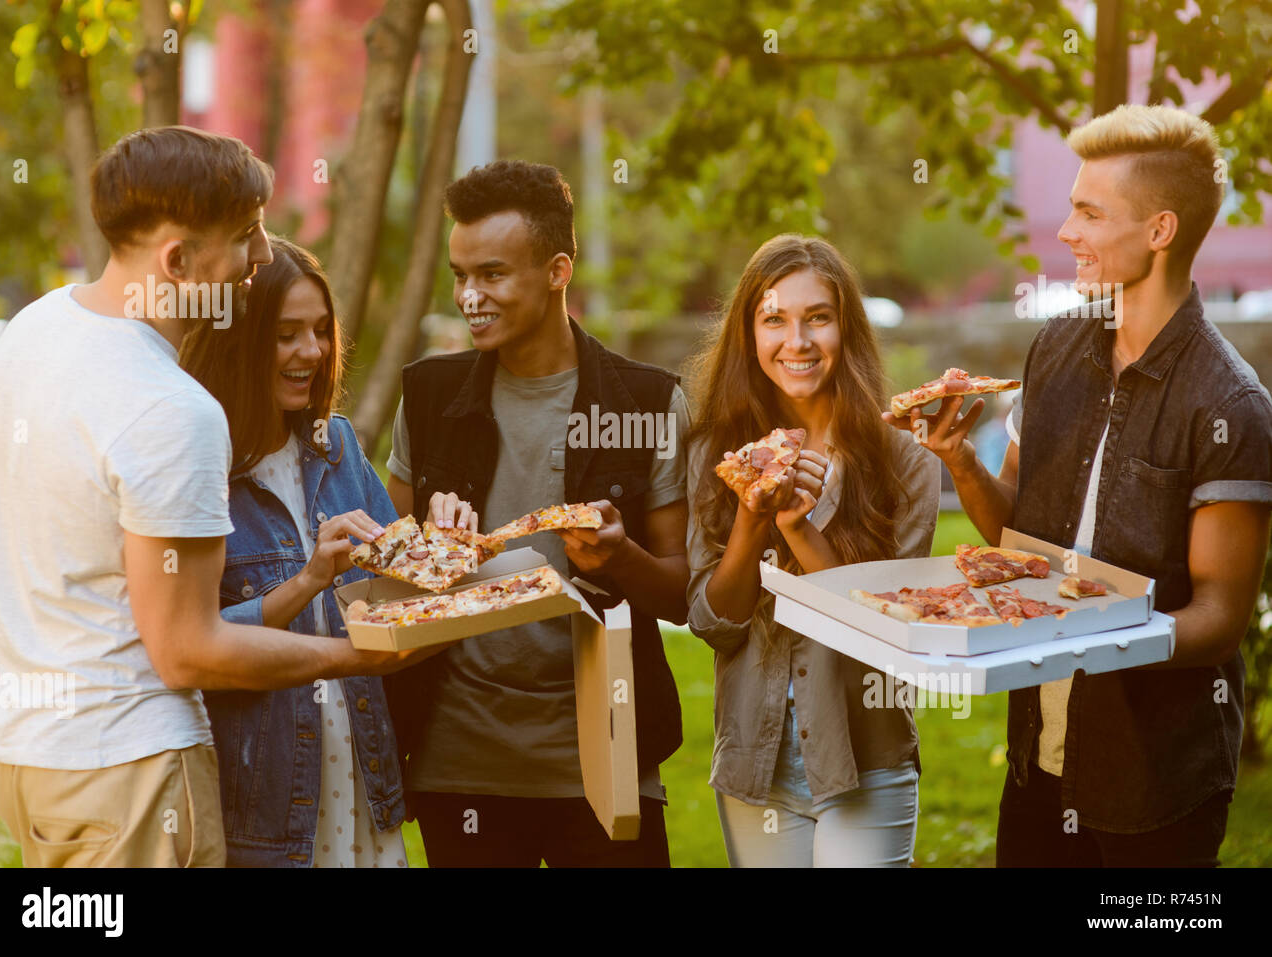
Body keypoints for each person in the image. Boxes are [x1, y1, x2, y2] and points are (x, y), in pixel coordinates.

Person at [0, 127, 411, 868]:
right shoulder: (172, 409)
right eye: (246, 234)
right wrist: (357, 654)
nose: (265, 255)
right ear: (177, 260)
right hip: (132, 768)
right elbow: (186, 649)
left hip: (26, 753)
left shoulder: (32, 332)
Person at [885, 104, 1272, 866]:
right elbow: (1016, 543)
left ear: (1158, 231)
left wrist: (1085, 630)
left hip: (1156, 782)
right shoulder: (1055, 349)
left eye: (1088, 212)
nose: (1065, 231)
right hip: (1039, 757)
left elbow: (1220, 618)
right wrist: (959, 460)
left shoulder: (1230, 405)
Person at [382, 159, 689, 867]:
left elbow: (681, 594)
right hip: (460, 762)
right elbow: (388, 586)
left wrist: (621, 558)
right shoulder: (427, 400)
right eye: (460, 276)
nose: (469, 297)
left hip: (609, 751)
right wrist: (434, 555)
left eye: (491, 274)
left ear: (557, 271)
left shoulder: (646, 404)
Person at [686, 234, 940, 867]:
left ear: (845, 329)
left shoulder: (904, 461)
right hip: (754, 765)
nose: (795, 342)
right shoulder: (715, 456)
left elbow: (886, 636)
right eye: (774, 319)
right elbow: (714, 623)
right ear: (749, 335)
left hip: (865, 762)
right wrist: (751, 517)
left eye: (817, 318)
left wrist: (800, 530)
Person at [179, 237, 414, 867]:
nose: (311, 352)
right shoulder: (202, 465)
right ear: (241, 341)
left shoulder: (334, 443)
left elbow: (402, 592)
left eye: (320, 330)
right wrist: (310, 579)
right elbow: (190, 643)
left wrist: (438, 542)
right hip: (265, 793)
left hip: (363, 774)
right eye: (286, 334)